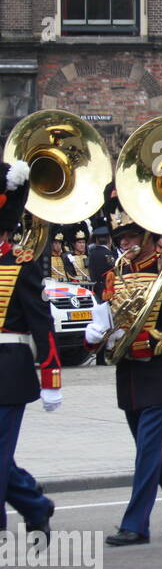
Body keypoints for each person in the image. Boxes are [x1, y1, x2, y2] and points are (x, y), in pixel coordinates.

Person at [85, 191, 162, 546]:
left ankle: (136, 525)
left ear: (149, 237)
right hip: (130, 376)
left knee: (147, 453)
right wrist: (101, 335)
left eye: (133, 237)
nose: (126, 244)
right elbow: (111, 318)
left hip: (159, 372)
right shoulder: (117, 274)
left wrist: (143, 342)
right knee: (153, 454)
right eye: (122, 239)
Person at [0, 158, 60, 541]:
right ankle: (36, 506)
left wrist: (51, 376)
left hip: (11, 369)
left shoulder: (22, 264)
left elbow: (41, 322)